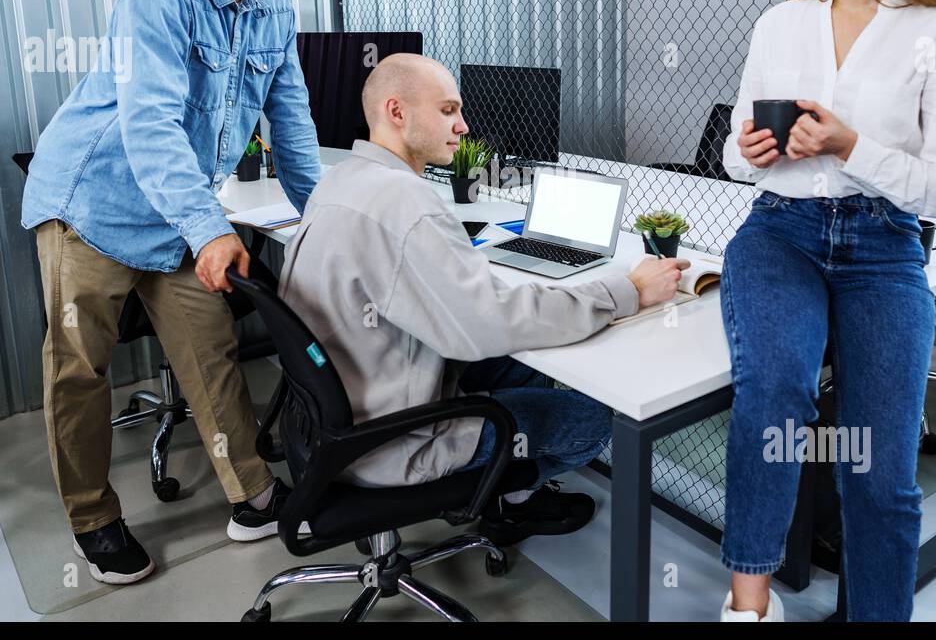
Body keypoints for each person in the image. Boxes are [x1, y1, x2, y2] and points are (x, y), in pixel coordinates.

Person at [21, 0, 322, 584]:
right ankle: (93, 518)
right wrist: (211, 228)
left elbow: (293, 123)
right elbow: (149, 120)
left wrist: (326, 222)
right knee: (78, 371)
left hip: (175, 216)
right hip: (91, 205)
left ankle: (251, 496)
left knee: (210, 346)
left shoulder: (273, 11)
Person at [718, 0, 936, 621]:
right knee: (774, 391)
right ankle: (748, 610)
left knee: (881, 471)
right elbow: (740, 158)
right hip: (781, 233)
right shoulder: (780, 24)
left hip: (884, 246)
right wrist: (753, 150)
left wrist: (850, 145)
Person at [276, 53, 688, 543]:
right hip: (394, 443)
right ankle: (506, 501)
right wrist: (627, 291)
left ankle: (506, 491)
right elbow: (486, 324)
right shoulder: (407, 203)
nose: (463, 125)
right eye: (448, 110)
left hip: (334, 422)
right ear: (397, 111)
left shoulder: (342, 181)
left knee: (535, 363)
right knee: (591, 422)